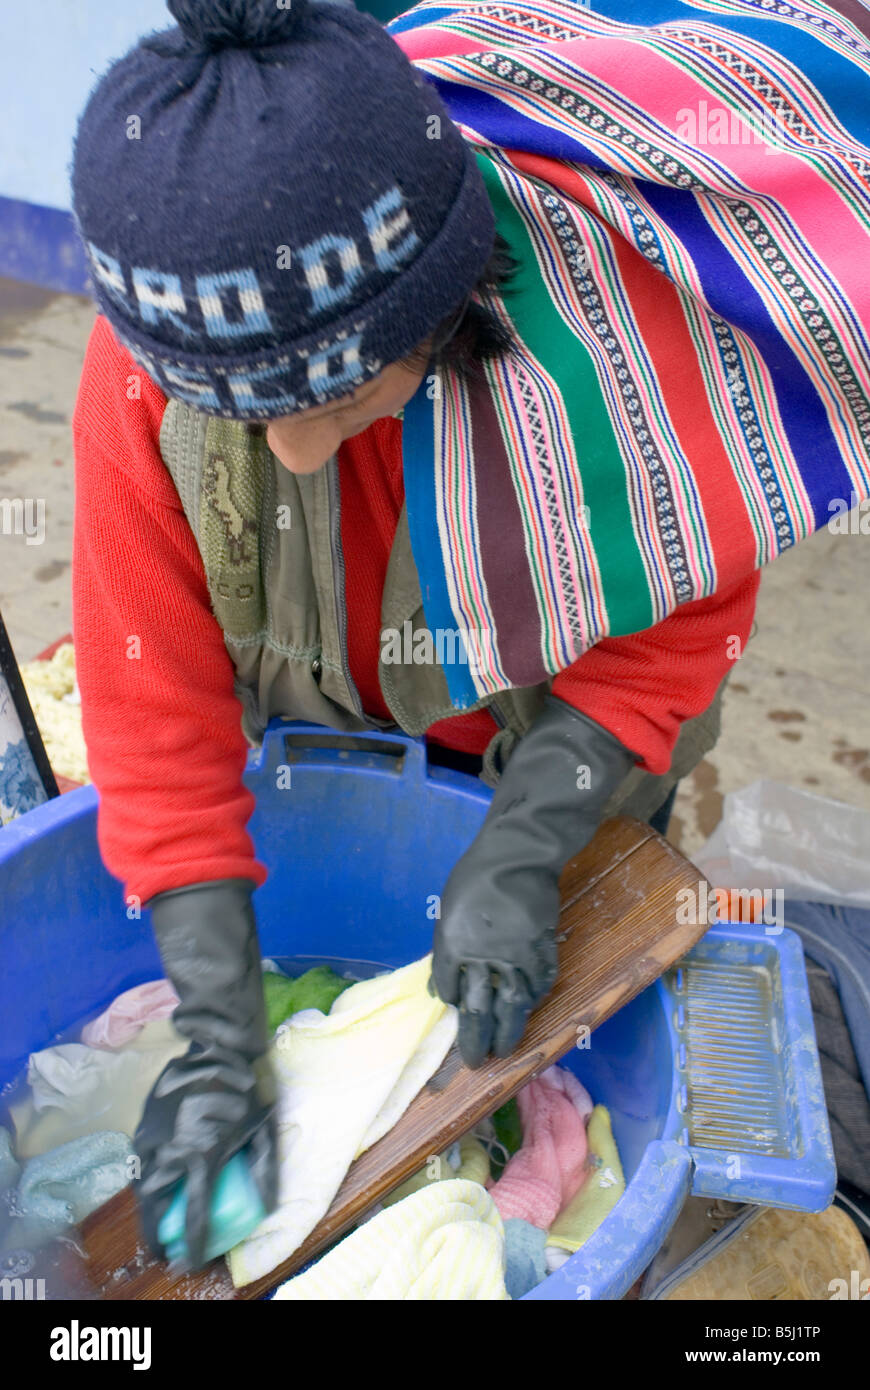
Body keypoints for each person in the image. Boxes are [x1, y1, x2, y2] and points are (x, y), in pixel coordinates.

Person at [69, 0, 870, 1266]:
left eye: (334, 391)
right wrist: (224, 1030)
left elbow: (670, 634)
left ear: (443, 306)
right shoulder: (143, 383)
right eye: (237, 408)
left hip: (561, 739)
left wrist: (524, 848)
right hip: (324, 728)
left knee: (558, 968)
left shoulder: (618, 351)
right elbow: (152, 709)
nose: (290, 448)